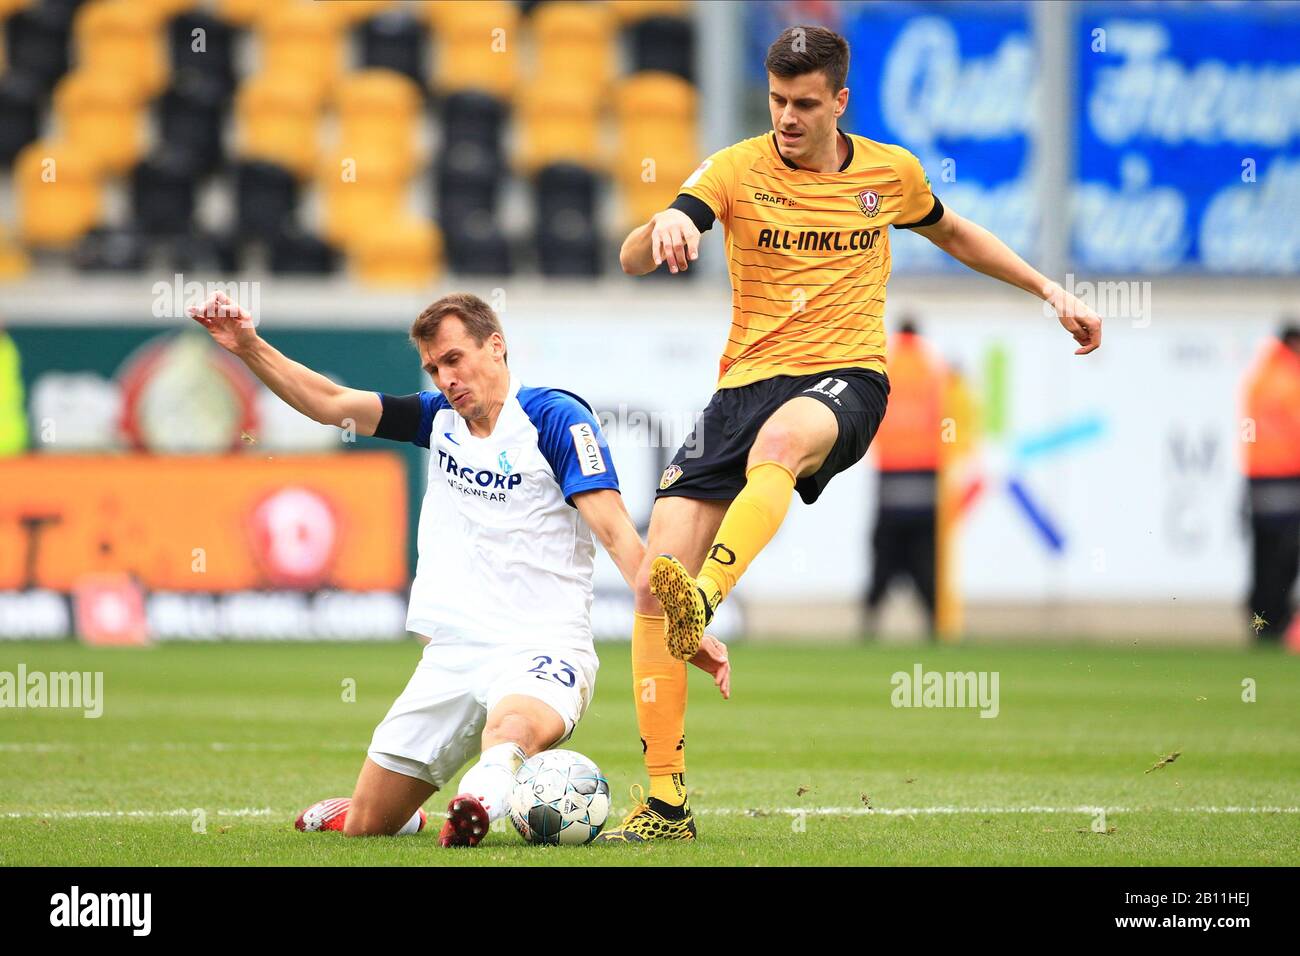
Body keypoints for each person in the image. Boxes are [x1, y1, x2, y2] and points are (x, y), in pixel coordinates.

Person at [602, 24, 1101, 842]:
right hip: (742, 384)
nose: (787, 118)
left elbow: (957, 233)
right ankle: (665, 804)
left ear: (840, 100)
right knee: (655, 585)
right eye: (776, 101)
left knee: (776, 451)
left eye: (804, 104)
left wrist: (1052, 290)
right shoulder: (733, 168)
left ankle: (709, 598)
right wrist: (662, 227)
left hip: (846, 378)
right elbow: (635, 254)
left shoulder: (889, 173)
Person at [188, 289, 731, 847]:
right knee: (367, 827)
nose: (445, 378)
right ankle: (410, 814)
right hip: (453, 653)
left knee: (511, 729)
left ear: (495, 347)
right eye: (433, 368)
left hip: (543, 646)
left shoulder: (554, 418)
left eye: (453, 359)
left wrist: (679, 627)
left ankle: (476, 804)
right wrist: (249, 347)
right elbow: (330, 402)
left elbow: (617, 533)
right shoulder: (436, 420)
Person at [864, 320, 944, 637]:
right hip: (926, 474)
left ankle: (871, 619)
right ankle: (935, 622)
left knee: (884, 554)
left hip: (890, 474)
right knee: (925, 557)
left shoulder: (888, 361)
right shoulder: (932, 366)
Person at [1241, 323, 1300, 643]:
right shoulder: (1290, 380)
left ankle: (1259, 622)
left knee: (1263, 557)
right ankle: (1278, 623)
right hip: (1287, 479)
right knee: (1285, 557)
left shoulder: (1260, 376)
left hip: (1257, 479)